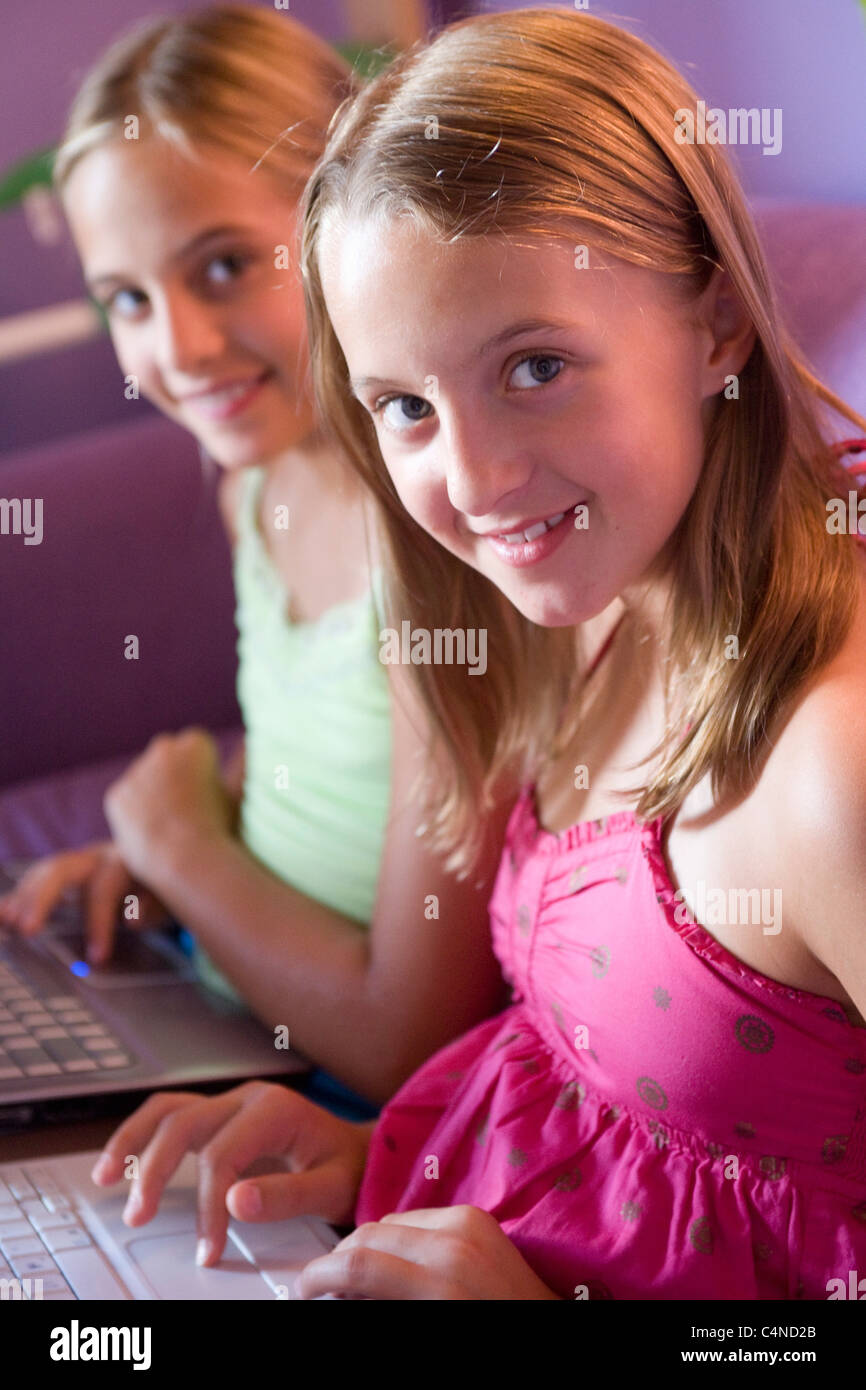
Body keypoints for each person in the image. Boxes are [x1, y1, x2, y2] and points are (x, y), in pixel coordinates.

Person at [86, 8, 866, 1297]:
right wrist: (380, 1151)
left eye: (536, 366)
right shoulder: (583, 605)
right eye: (404, 405)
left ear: (715, 325)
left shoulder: (829, 765)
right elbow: (612, 1090)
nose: (473, 480)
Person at [0, 6, 512, 1114]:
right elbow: (330, 767)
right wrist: (159, 863)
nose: (174, 349)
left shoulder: (445, 550)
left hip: (345, 1106)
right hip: (226, 1019)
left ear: (351, 220)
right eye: (127, 299)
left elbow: (403, 1042)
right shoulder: (256, 490)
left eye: (226, 265)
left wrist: (181, 844)